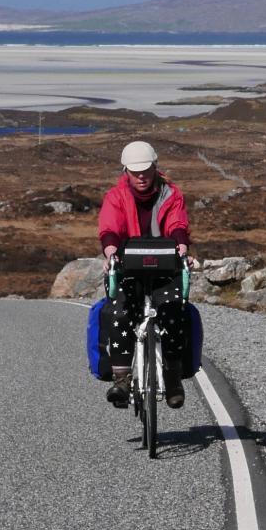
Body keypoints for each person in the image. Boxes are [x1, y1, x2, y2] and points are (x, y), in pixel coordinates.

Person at [95, 140, 193, 409]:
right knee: (120, 312)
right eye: (135, 171)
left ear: (155, 167)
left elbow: (177, 223)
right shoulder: (115, 197)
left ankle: (173, 379)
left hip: (166, 267)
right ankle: (122, 379)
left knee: (173, 311)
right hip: (128, 268)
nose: (141, 176)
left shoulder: (171, 194)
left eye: (146, 170)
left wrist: (181, 244)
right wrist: (111, 250)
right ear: (125, 171)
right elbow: (110, 227)